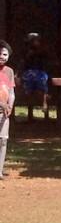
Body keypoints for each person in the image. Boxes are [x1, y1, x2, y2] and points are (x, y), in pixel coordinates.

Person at [20, 33, 51, 122]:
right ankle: (28, 99)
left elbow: (46, 63)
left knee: (43, 79)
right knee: (29, 80)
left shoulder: (43, 51)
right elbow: (22, 63)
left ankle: (44, 101)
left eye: (37, 40)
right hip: (29, 72)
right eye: (34, 40)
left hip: (41, 72)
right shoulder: (26, 51)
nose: (36, 42)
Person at [0, 40, 13, 179]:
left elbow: (11, 91)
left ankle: (0, 169)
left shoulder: (9, 72)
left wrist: (10, 105)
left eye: (5, 54)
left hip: (4, 113)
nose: (2, 57)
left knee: (3, 140)